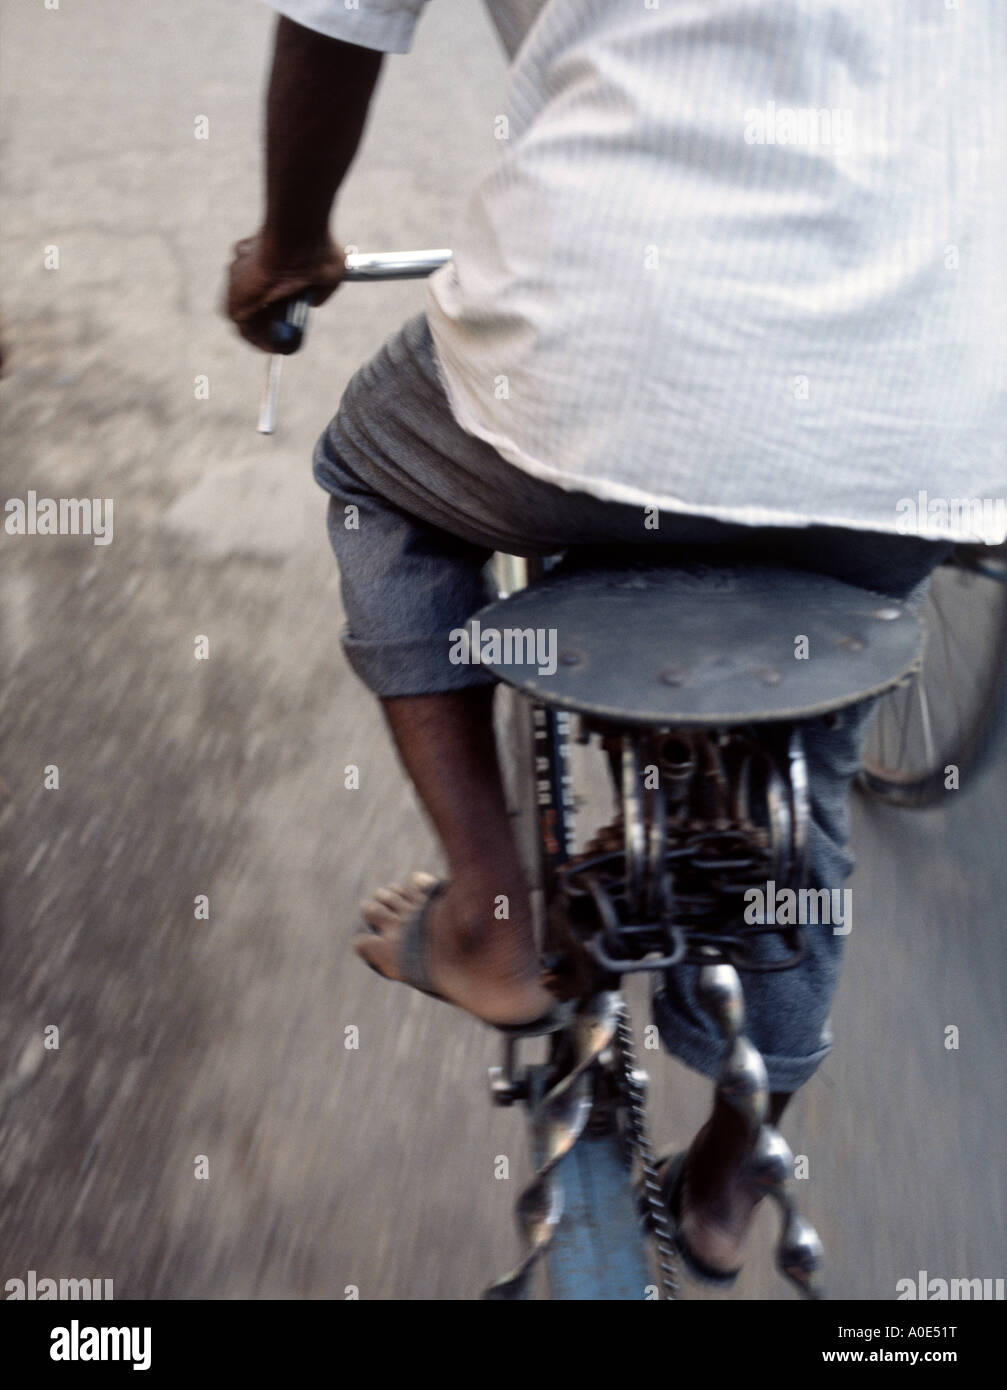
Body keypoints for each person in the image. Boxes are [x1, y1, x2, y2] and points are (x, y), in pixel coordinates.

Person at [226, 1, 1005, 1283]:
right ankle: (726, 1177)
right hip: (919, 404)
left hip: (601, 351)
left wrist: (289, 247)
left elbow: (331, 24)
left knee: (373, 479)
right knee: (804, 751)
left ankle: (490, 915)